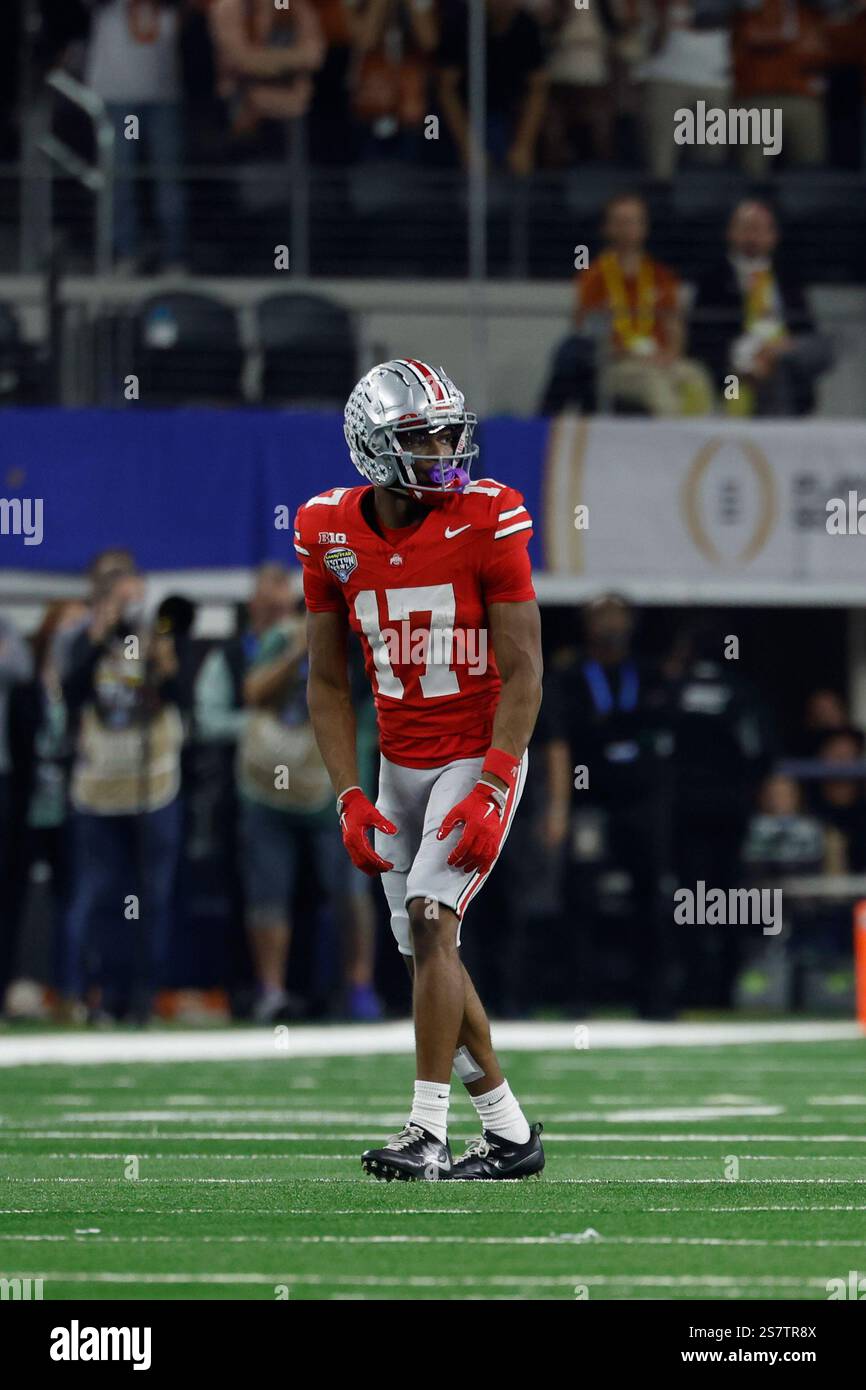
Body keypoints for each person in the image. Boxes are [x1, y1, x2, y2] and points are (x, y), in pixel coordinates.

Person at [296, 358, 544, 1181]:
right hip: (396, 759)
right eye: (421, 436)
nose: (443, 450)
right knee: (421, 945)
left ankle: (426, 1133)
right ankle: (509, 1135)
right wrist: (349, 795)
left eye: (446, 431)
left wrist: (496, 781)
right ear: (373, 448)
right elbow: (328, 680)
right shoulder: (327, 531)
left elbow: (526, 670)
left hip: (474, 750)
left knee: (434, 917)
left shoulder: (490, 517)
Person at [236, 566, 382, 1022]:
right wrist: (302, 646)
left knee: (349, 889)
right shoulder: (286, 637)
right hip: (272, 782)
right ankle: (272, 991)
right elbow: (254, 691)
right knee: (269, 890)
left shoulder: (367, 641)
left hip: (336, 783)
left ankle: (358, 986)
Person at [62, 565, 186, 1022]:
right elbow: (70, 692)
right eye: (123, 600)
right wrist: (99, 635)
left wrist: (162, 656)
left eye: (138, 600)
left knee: (151, 897)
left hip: (153, 787)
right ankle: (96, 993)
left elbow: (179, 695)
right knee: (101, 896)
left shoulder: (158, 641)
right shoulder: (84, 641)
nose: (131, 610)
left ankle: (143, 996)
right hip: (97, 790)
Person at [691, 199, 834, 416]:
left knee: (823, 346)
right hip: (733, 374)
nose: (753, 237)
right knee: (743, 389)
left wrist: (776, 351)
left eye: (759, 229)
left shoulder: (788, 278)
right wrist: (747, 361)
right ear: (731, 233)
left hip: (783, 356)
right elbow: (702, 337)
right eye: (746, 228)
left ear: (773, 236)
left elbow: (806, 329)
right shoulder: (714, 278)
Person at [575, 192, 713, 416]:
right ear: (607, 228)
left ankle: (705, 448)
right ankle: (669, 448)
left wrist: (669, 355)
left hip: (659, 358)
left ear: (644, 228)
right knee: (658, 388)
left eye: (633, 222)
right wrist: (632, 354)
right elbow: (586, 334)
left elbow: (674, 327)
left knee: (697, 378)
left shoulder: (660, 275)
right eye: (620, 222)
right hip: (619, 365)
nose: (627, 229)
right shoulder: (593, 277)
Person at [84, 0, 189, 272]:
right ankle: (125, 253)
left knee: (169, 179)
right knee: (121, 176)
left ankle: (174, 257)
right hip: (120, 96)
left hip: (162, 96)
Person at [436, 0, 547, 175]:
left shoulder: (527, 26)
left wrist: (524, 145)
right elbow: (446, 90)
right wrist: (468, 147)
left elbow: (538, 88)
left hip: (508, 116)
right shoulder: (461, 23)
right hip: (460, 117)